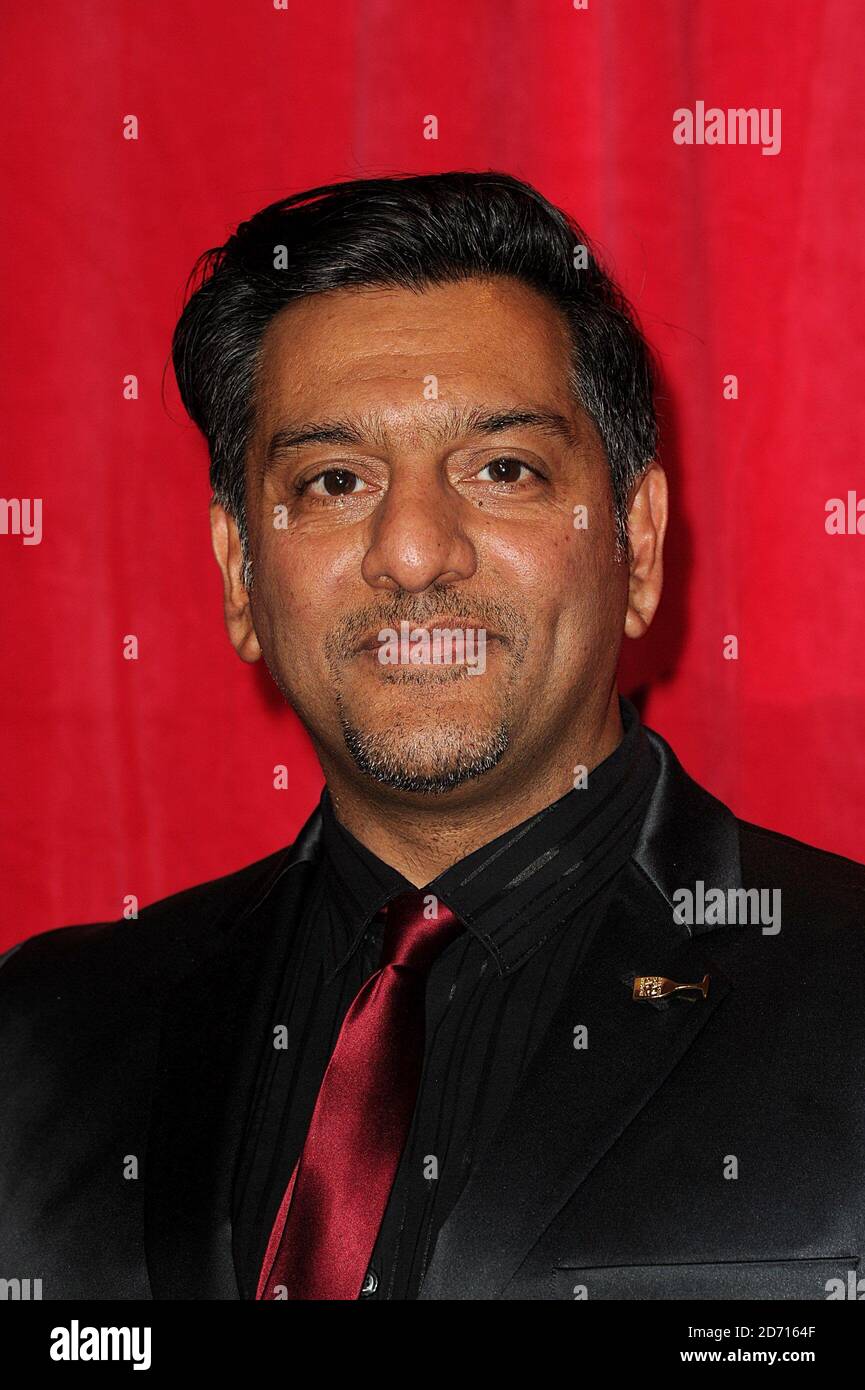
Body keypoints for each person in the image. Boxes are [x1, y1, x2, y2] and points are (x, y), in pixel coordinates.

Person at [2, 172, 863, 1302]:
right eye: (334, 479)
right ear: (239, 573)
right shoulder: (45, 1037)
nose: (411, 551)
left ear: (635, 544)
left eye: (502, 470)